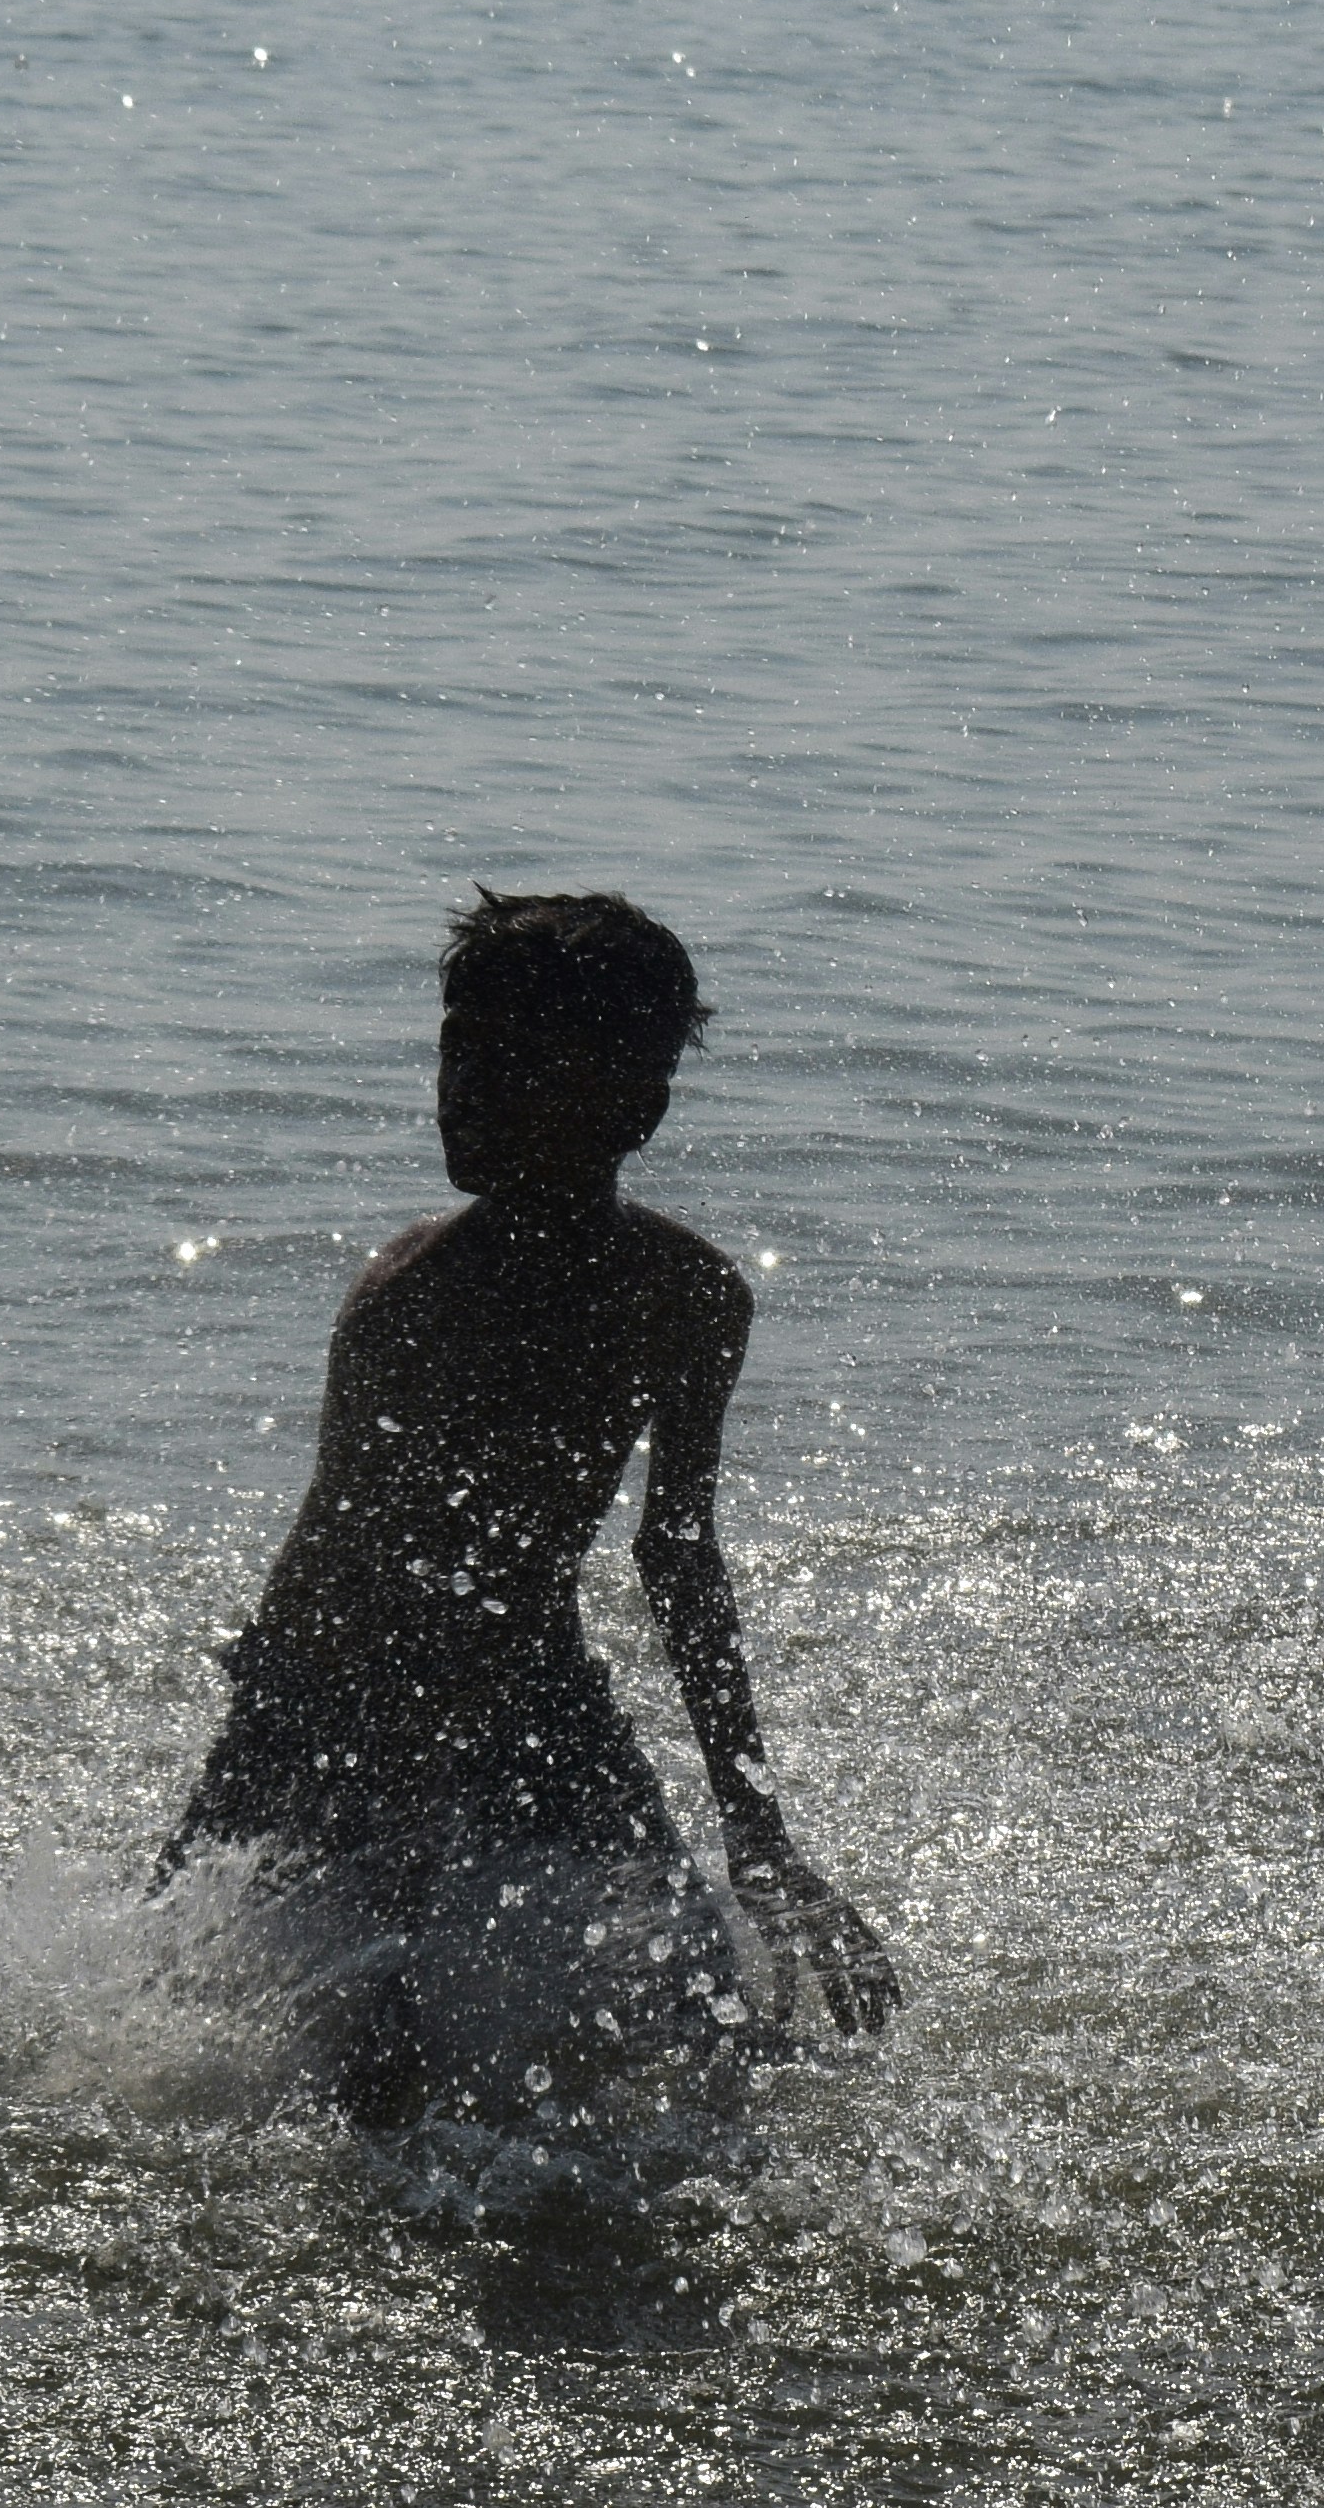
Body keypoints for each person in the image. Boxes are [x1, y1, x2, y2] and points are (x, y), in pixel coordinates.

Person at [161, 893, 893, 2191]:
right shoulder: (413, 1298)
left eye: (511, 1065)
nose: (462, 1090)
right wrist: (363, 1836)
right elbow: (341, 1566)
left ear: (638, 1106)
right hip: (337, 1688)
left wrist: (759, 1835)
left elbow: (678, 1558)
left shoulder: (689, 1296)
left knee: (709, 2006)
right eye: (457, 1050)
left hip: (541, 1683)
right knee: (347, 2042)